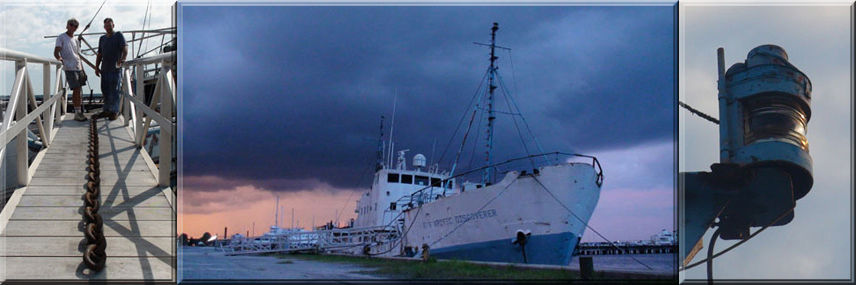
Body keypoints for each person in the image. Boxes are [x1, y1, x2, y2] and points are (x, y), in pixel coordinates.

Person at [54, 18, 87, 121]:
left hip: (78, 67)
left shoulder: (76, 40)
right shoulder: (61, 37)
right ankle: (77, 113)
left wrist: (83, 70)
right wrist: (59, 59)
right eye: (71, 25)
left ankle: (78, 111)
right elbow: (56, 52)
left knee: (78, 90)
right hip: (69, 67)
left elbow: (78, 55)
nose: (73, 27)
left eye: (75, 26)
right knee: (76, 89)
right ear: (67, 26)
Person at [94, 17, 127, 121]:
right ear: (104, 27)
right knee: (105, 90)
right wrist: (96, 67)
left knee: (114, 90)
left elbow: (124, 47)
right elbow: (99, 54)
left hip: (115, 69)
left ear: (113, 25)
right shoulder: (102, 38)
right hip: (104, 69)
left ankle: (114, 111)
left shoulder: (118, 35)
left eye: (110, 25)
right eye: (106, 26)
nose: (108, 27)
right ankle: (106, 109)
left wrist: (123, 58)